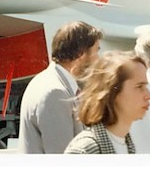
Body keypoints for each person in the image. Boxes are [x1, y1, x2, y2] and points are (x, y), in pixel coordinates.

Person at [17, 21, 103, 153]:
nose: (98, 59)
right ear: (80, 54)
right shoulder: (55, 93)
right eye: (96, 51)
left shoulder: (46, 81)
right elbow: (63, 158)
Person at [64, 51, 150, 154]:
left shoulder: (128, 144)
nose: (149, 95)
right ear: (113, 91)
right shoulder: (84, 151)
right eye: (139, 86)